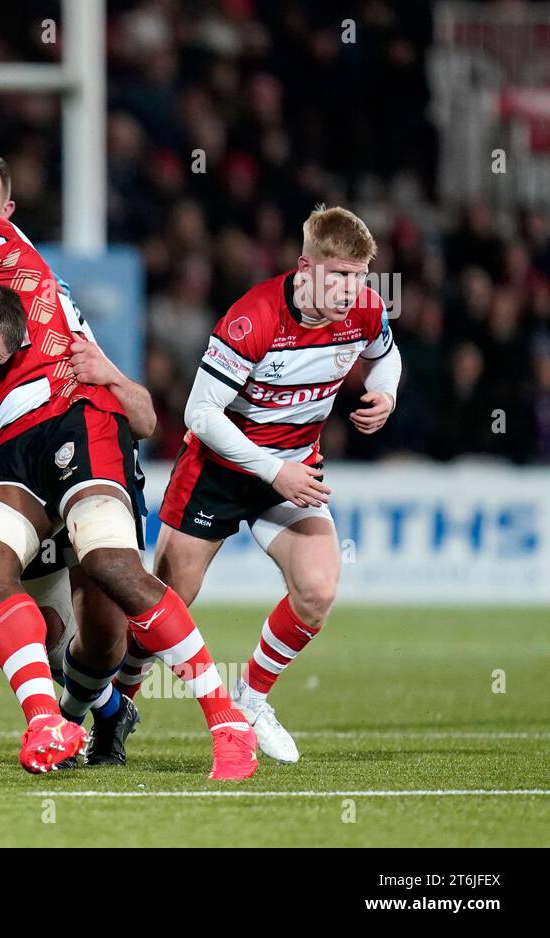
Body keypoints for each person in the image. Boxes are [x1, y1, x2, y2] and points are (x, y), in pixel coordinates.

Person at [0, 174, 259, 778]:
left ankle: (226, 722)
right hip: (12, 444)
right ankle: (47, 721)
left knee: (108, 590)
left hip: (76, 415)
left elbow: (146, 417)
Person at [132, 205, 401, 764]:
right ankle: (116, 709)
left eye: (360, 277)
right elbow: (200, 414)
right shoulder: (252, 319)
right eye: (340, 276)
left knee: (318, 591)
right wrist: (271, 467)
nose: (352, 291)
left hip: (293, 474)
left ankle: (251, 700)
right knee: (163, 602)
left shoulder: (366, 310)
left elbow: (386, 356)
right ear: (306, 268)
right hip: (219, 472)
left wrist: (386, 393)